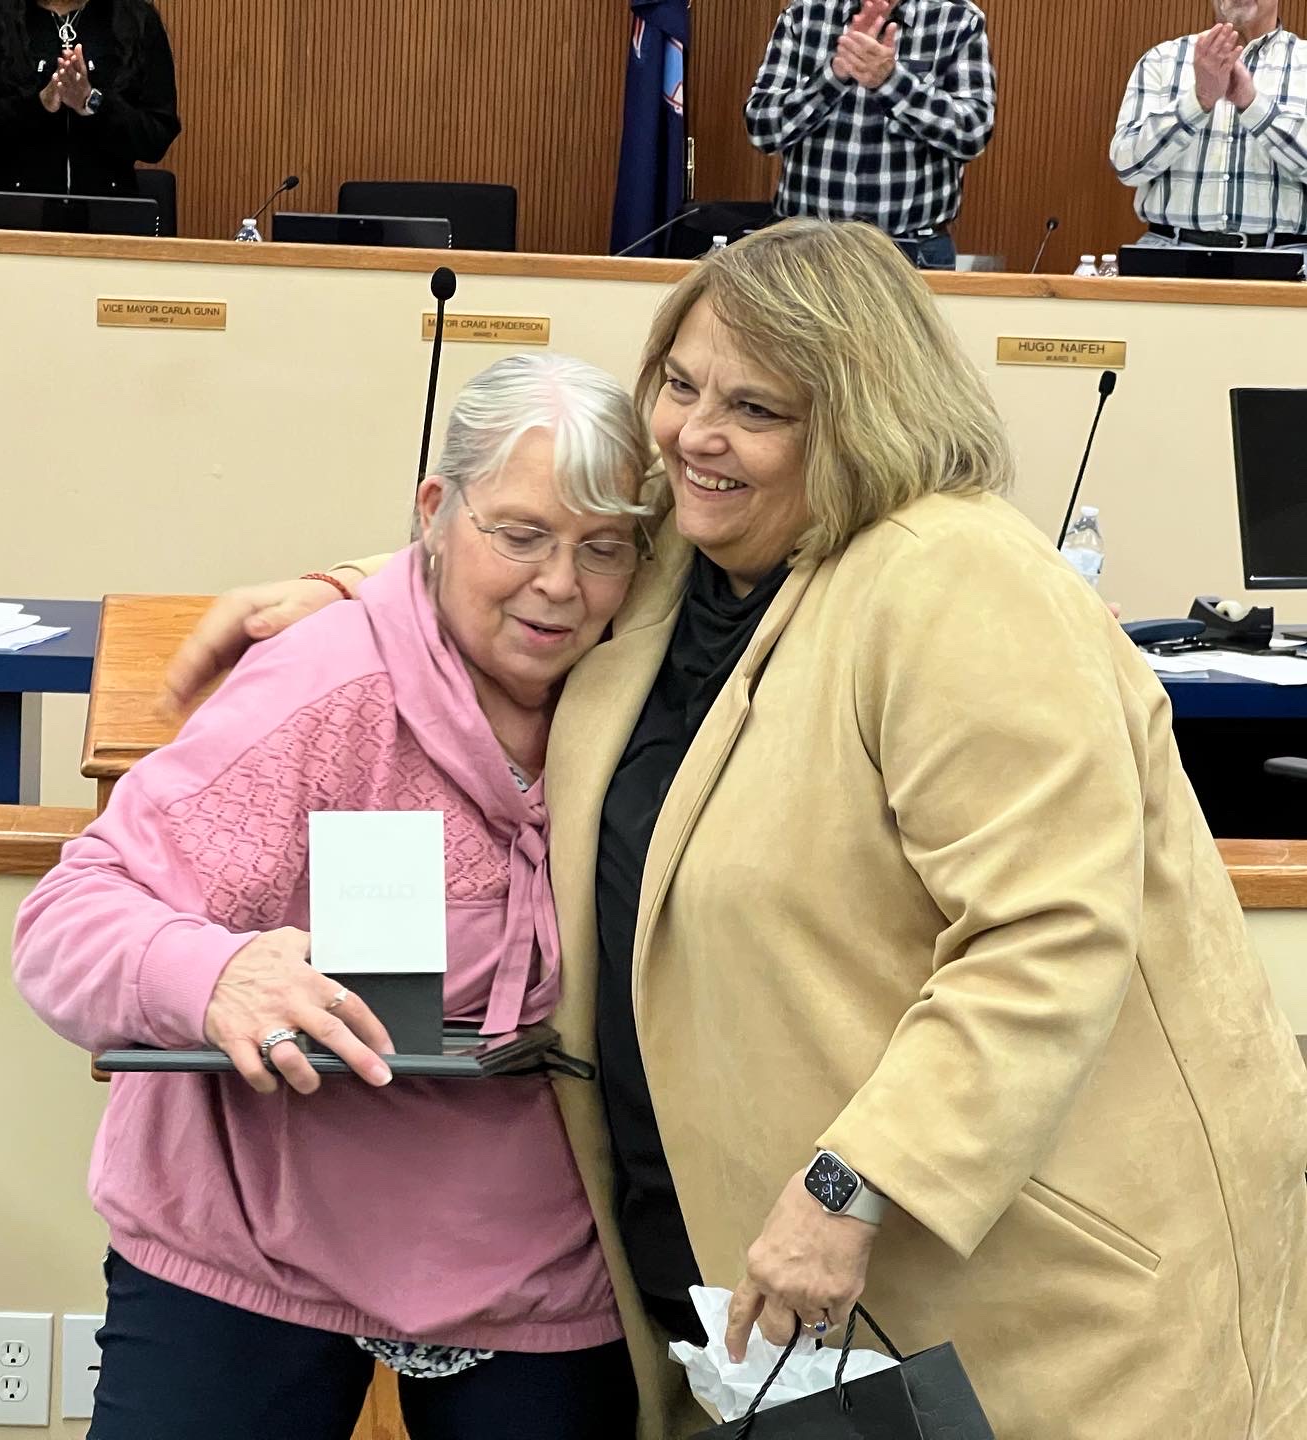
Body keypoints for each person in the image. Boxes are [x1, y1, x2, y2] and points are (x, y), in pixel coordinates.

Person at [162, 221, 1307, 1440]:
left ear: (862, 418)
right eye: (680, 383)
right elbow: (536, 535)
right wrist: (350, 589)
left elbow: (1049, 937)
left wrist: (845, 1186)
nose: (694, 436)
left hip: (1030, 1302)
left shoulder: (957, 578)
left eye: (755, 408)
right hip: (777, 1332)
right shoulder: (694, 563)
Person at [11, 354, 652, 1440]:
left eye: (602, 548)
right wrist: (211, 973)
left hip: (537, 1259)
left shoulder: (647, 692)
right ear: (437, 513)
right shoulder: (324, 684)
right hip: (250, 1231)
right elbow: (68, 916)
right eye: (521, 535)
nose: (560, 585)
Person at [742, 0, 995, 270]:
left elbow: (973, 133)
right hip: (804, 247)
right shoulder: (803, 14)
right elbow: (762, 128)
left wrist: (891, 82)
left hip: (912, 251)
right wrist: (833, 76)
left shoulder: (957, 19)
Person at [1111, 1, 1307, 251]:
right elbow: (1128, 167)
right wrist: (1198, 101)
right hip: (1171, 253)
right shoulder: (1161, 60)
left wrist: (1254, 106)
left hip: (1284, 260)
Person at [0, 0, 180, 199]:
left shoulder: (136, 18)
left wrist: (91, 102)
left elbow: (157, 135)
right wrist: (38, 106)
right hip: (13, 216)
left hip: (109, 217)